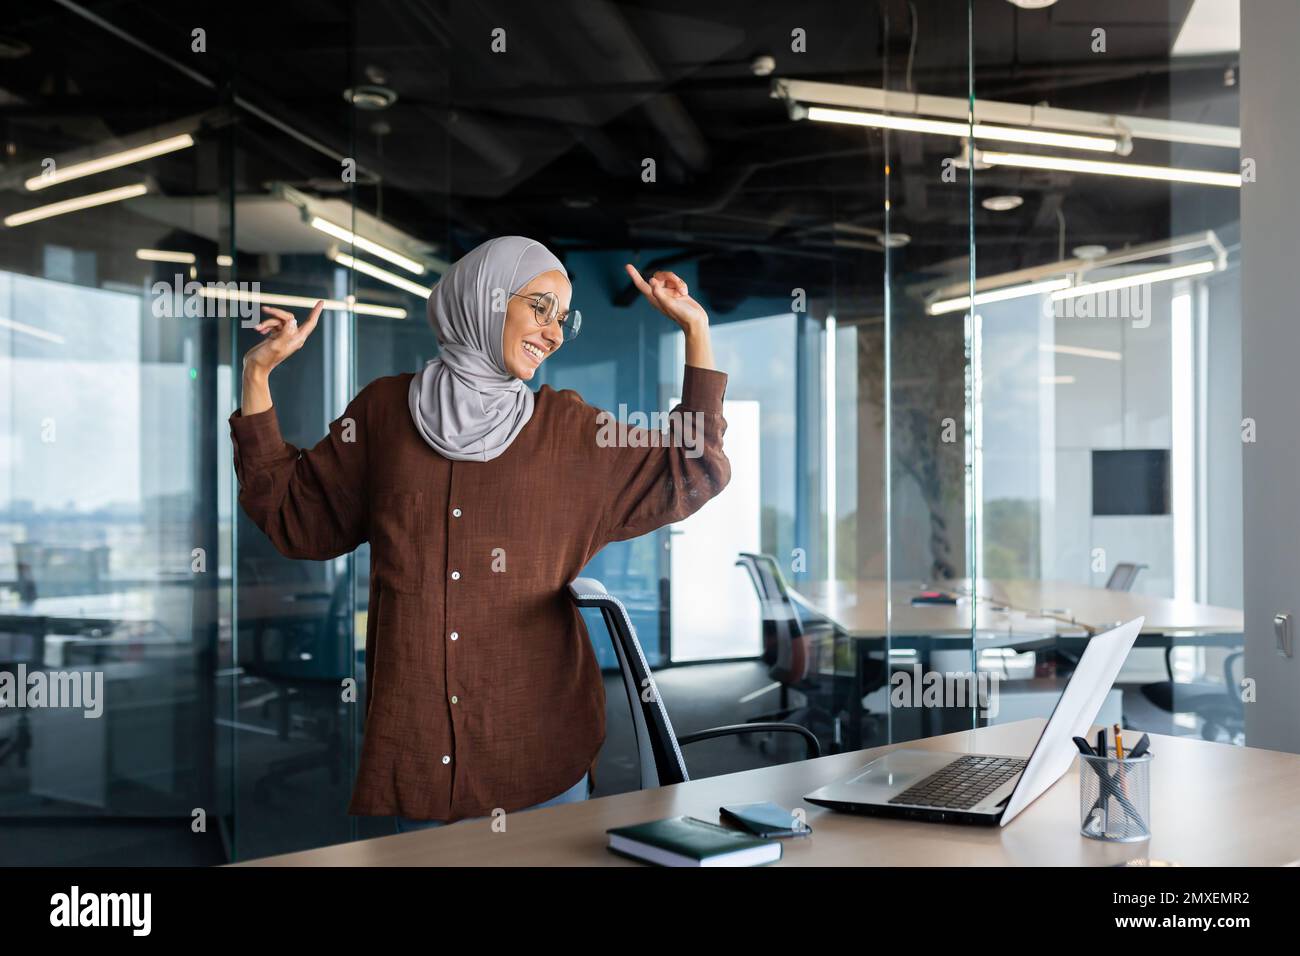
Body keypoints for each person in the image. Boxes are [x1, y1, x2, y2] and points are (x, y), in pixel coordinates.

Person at [229, 235, 731, 832]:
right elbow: (297, 518)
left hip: (538, 741)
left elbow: (692, 466)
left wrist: (695, 331)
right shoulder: (384, 414)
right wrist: (257, 373)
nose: (551, 331)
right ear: (484, 300)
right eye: (539, 307)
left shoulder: (569, 429)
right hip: (419, 751)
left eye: (562, 320)